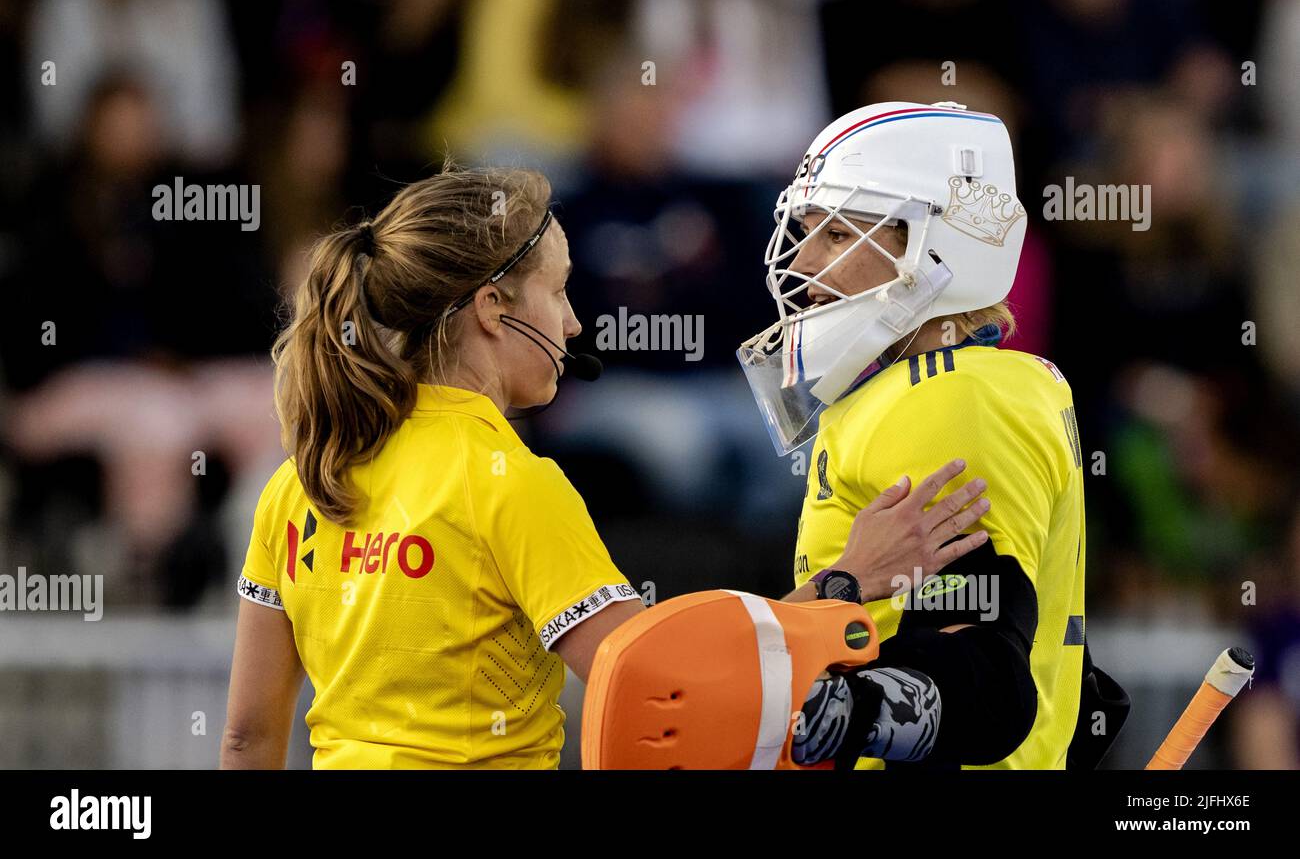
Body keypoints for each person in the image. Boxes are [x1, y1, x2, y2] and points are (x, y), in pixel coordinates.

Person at [221, 163, 987, 769]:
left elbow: (246, 739)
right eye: (558, 293)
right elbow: (667, 685)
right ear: (492, 308)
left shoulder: (297, 483)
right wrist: (844, 582)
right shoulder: (512, 482)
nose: (574, 323)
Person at [738, 101, 1128, 769]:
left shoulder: (950, 395)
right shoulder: (932, 388)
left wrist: (822, 715)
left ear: (930, 246)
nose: (802, 262)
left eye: (837, 234)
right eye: (804, 232)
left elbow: (985, 679)